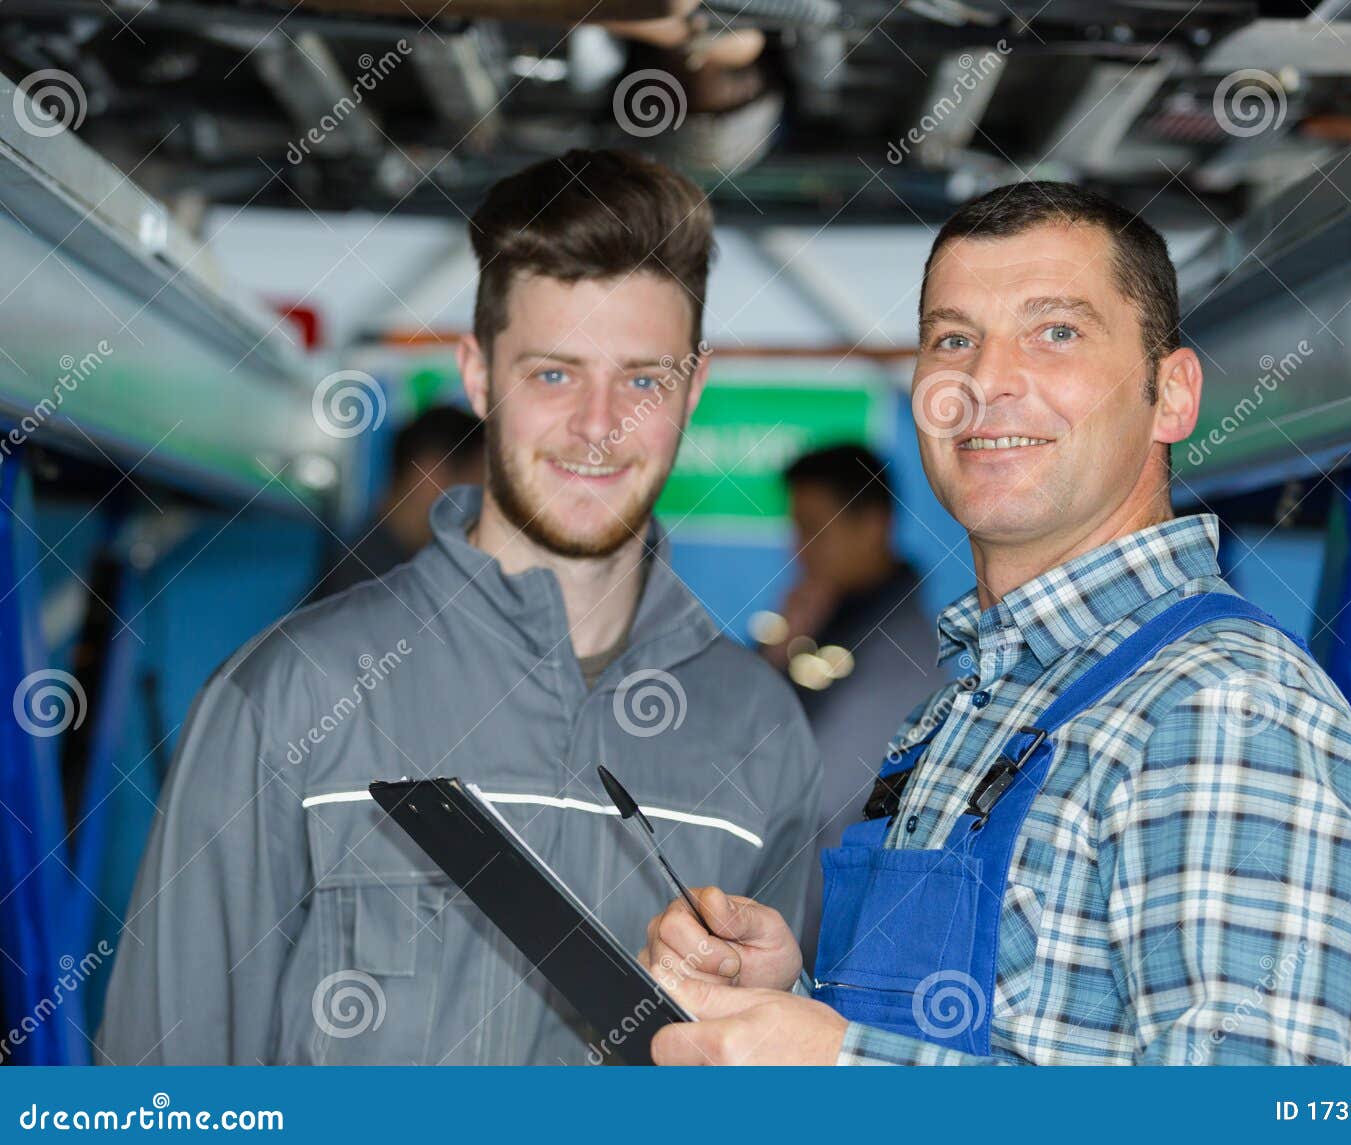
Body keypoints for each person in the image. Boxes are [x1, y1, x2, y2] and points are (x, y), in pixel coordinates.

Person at [640, 180, 1351, 1066]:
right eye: (954, 339)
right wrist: (794, 1002)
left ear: (1173, 395)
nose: (988, 381)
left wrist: (836, 1067)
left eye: (1058, 333)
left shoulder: (1226, 713)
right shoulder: (975, 698)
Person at [96, 149, 822, 1065]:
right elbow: (165, 1094)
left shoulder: (762, 736)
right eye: (554, 375)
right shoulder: (288, 699)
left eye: (643, 380)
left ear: (694, 389)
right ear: (479, 376)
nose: (599, 427)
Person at [762, 443, 946, 963]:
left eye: (814, 528)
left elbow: (810, 804)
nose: (800, 550)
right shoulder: (829, 626)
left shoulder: (903, 660)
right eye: (796, 529)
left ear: (873, 526)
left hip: (821, 938)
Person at [311, 405, 485, 600]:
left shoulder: (363, 559)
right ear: (431, 476)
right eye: (477, 486)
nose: (481, 511)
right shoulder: (376, 586)